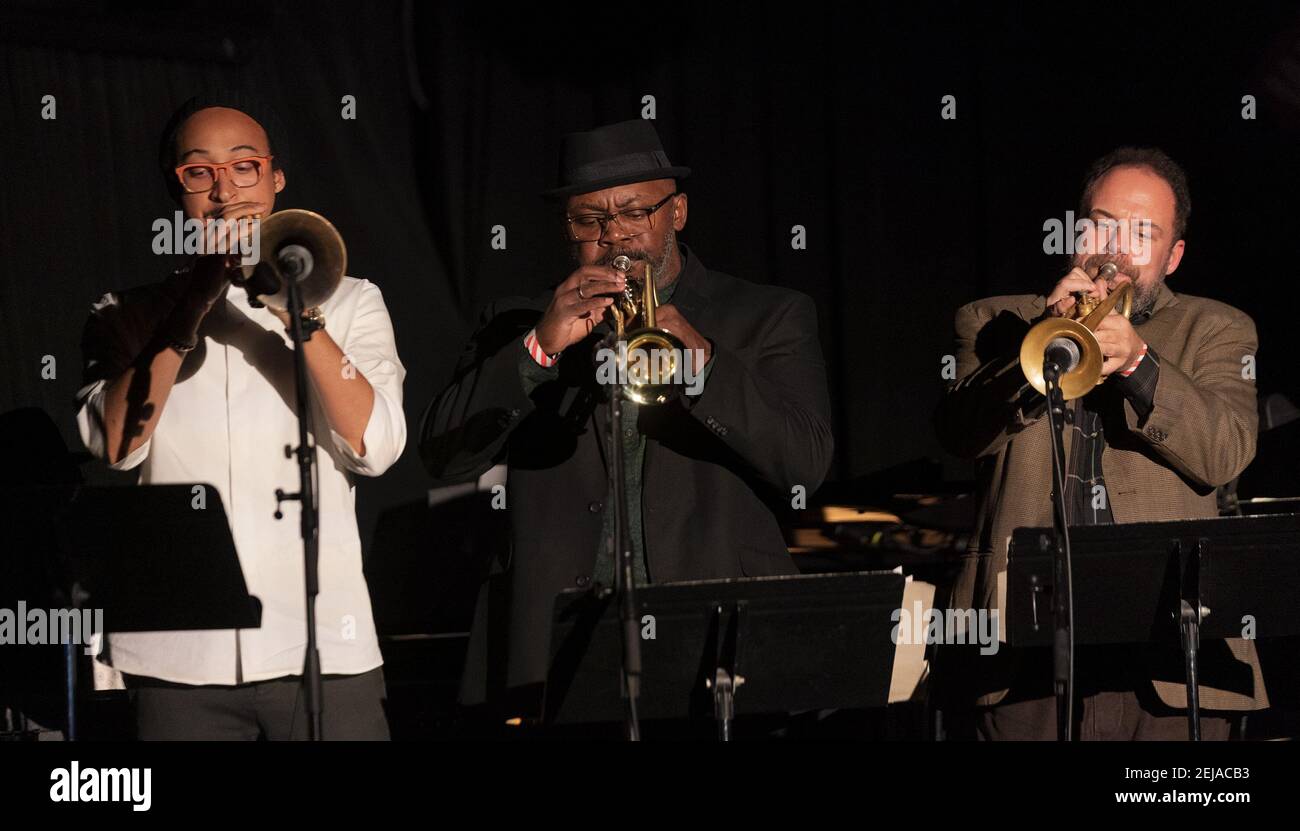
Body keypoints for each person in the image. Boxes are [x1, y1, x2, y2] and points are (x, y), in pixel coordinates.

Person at [420, 119, 833, 713]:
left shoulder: (768, 314)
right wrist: (539, 349)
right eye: (590, 220)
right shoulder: (515, 322)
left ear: (677, 212)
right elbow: (444, 453)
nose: (615, 237)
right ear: (568, 230)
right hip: (556, 641)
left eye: (635, 213)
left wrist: (707, 365)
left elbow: (805, 465)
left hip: (715, 631)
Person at [75, 92, 406, 740]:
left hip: (321, 648)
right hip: (178, 654)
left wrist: (292, 306)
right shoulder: (125, 311)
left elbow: (378, 444)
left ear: (275, 177)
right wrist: (189, 309)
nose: (225, 191)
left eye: (244, 167)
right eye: (200, 172)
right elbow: (115, 444)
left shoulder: (351, 298)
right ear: (179, 194)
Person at [934, 146, 1266, 740]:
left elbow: (1226, 451)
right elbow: (959, 434)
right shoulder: (993, 321)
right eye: (1103, 224)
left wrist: (1138, 361)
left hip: (1169, 651)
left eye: (1143, 232)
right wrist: (1036, 341)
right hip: (1022, 650)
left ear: (1173, 256)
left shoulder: (1218, 327)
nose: (1116, 249)